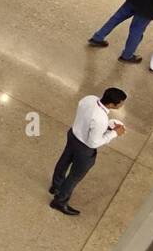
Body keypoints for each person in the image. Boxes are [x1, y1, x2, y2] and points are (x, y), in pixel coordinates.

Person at [48, 88, 127, 216]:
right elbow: (93, 143)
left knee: (64, 161)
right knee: (74, 176)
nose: (122, 105)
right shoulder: (101, 118)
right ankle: (60, 201)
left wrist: (107, 124)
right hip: (84, 149)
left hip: (73, 135)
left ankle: (56, 186)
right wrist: (114, 133)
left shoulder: (89, 99)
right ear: (112, 104)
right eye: (121, 103)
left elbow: (87, 118)